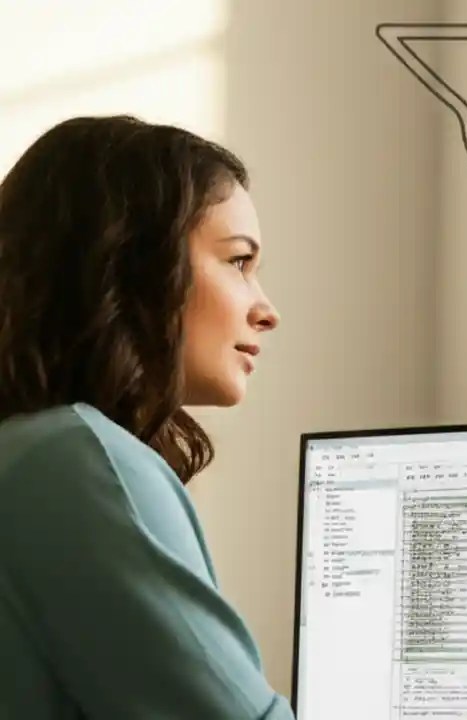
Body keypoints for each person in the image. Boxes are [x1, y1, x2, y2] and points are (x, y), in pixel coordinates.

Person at [0, 115, 294, 718]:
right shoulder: (73, 461)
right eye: (238, 261)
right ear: (132, 262)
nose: (267, 310)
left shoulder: (27, 451)